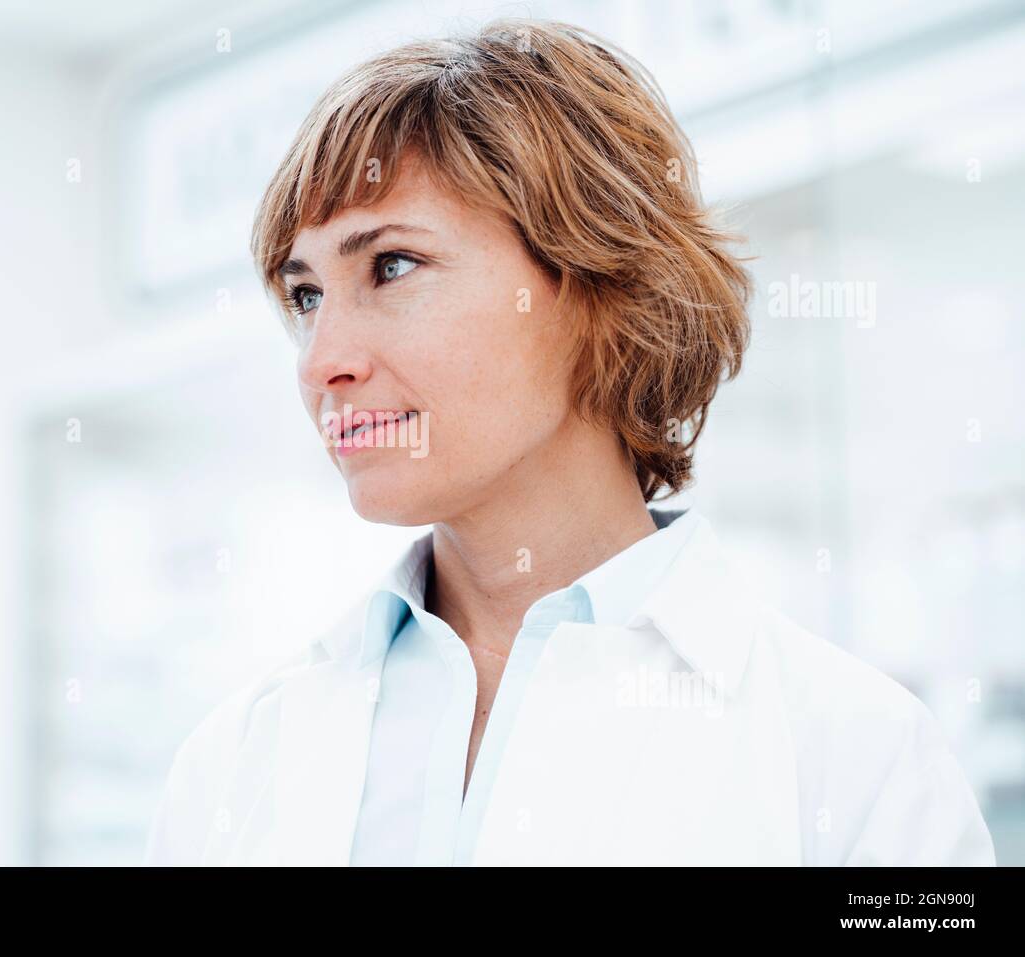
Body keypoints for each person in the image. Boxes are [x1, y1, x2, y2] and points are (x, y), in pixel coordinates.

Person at [144, 17, 994, 866]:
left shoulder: (860, 766)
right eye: (305, 297)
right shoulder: (232, 765)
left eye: (392, 266)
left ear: (595, 279)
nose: (322, 360)